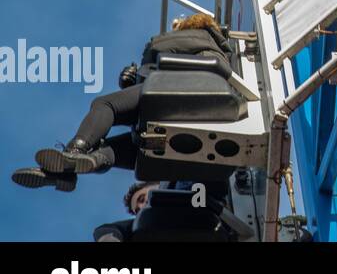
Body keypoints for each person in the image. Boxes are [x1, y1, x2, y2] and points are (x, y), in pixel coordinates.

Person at [11, 13, 235, 192]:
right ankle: (70, 170)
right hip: (186, 104)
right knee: (120, 148)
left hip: (175, 90)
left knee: (106, 105)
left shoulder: (195, 34)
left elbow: (155, 50)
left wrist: (136, 75)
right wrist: (133, 81)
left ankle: (75, 150)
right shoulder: (211, 46)